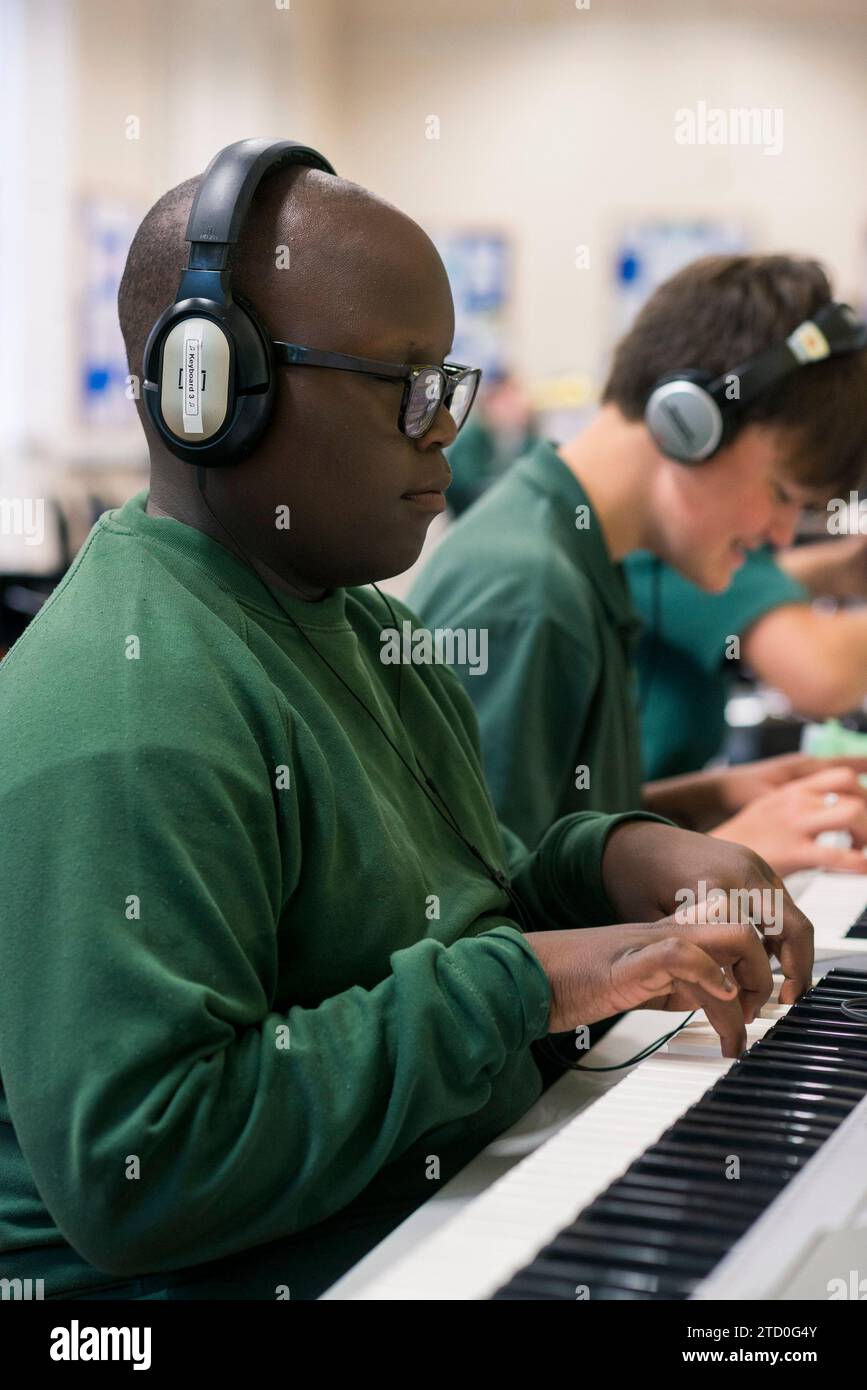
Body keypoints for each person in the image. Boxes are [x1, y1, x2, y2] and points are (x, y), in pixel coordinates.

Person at [0, 150, 798, 1302]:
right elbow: (142, 1165)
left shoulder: (356, 624)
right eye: (406, 386)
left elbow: (454, 899)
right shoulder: (129, 713)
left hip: (415, 1217)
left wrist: (618, 858)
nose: (448, 432)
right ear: (211, 390)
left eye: (452, 383)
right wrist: (523, 985)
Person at [410, 255, 867, 877]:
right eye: (783, 493)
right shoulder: (529, 592)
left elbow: (543, 839)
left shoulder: (579, 553)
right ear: (688, 422)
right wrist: (724, 853)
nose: (783, 534)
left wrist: (713, 800)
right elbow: (474, 912)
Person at [628, 535, 867, 781]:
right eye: (781, 497)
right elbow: (822, 675)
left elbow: (739, 583)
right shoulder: (668, 546)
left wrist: (846, 570)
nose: (782, 531)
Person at [445, 370, 538, 515]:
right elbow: (463, 487)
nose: (514, 406)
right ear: (488, 404)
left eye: (515, 396)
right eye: (505, 400)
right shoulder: (469, 442)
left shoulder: (531, 441)